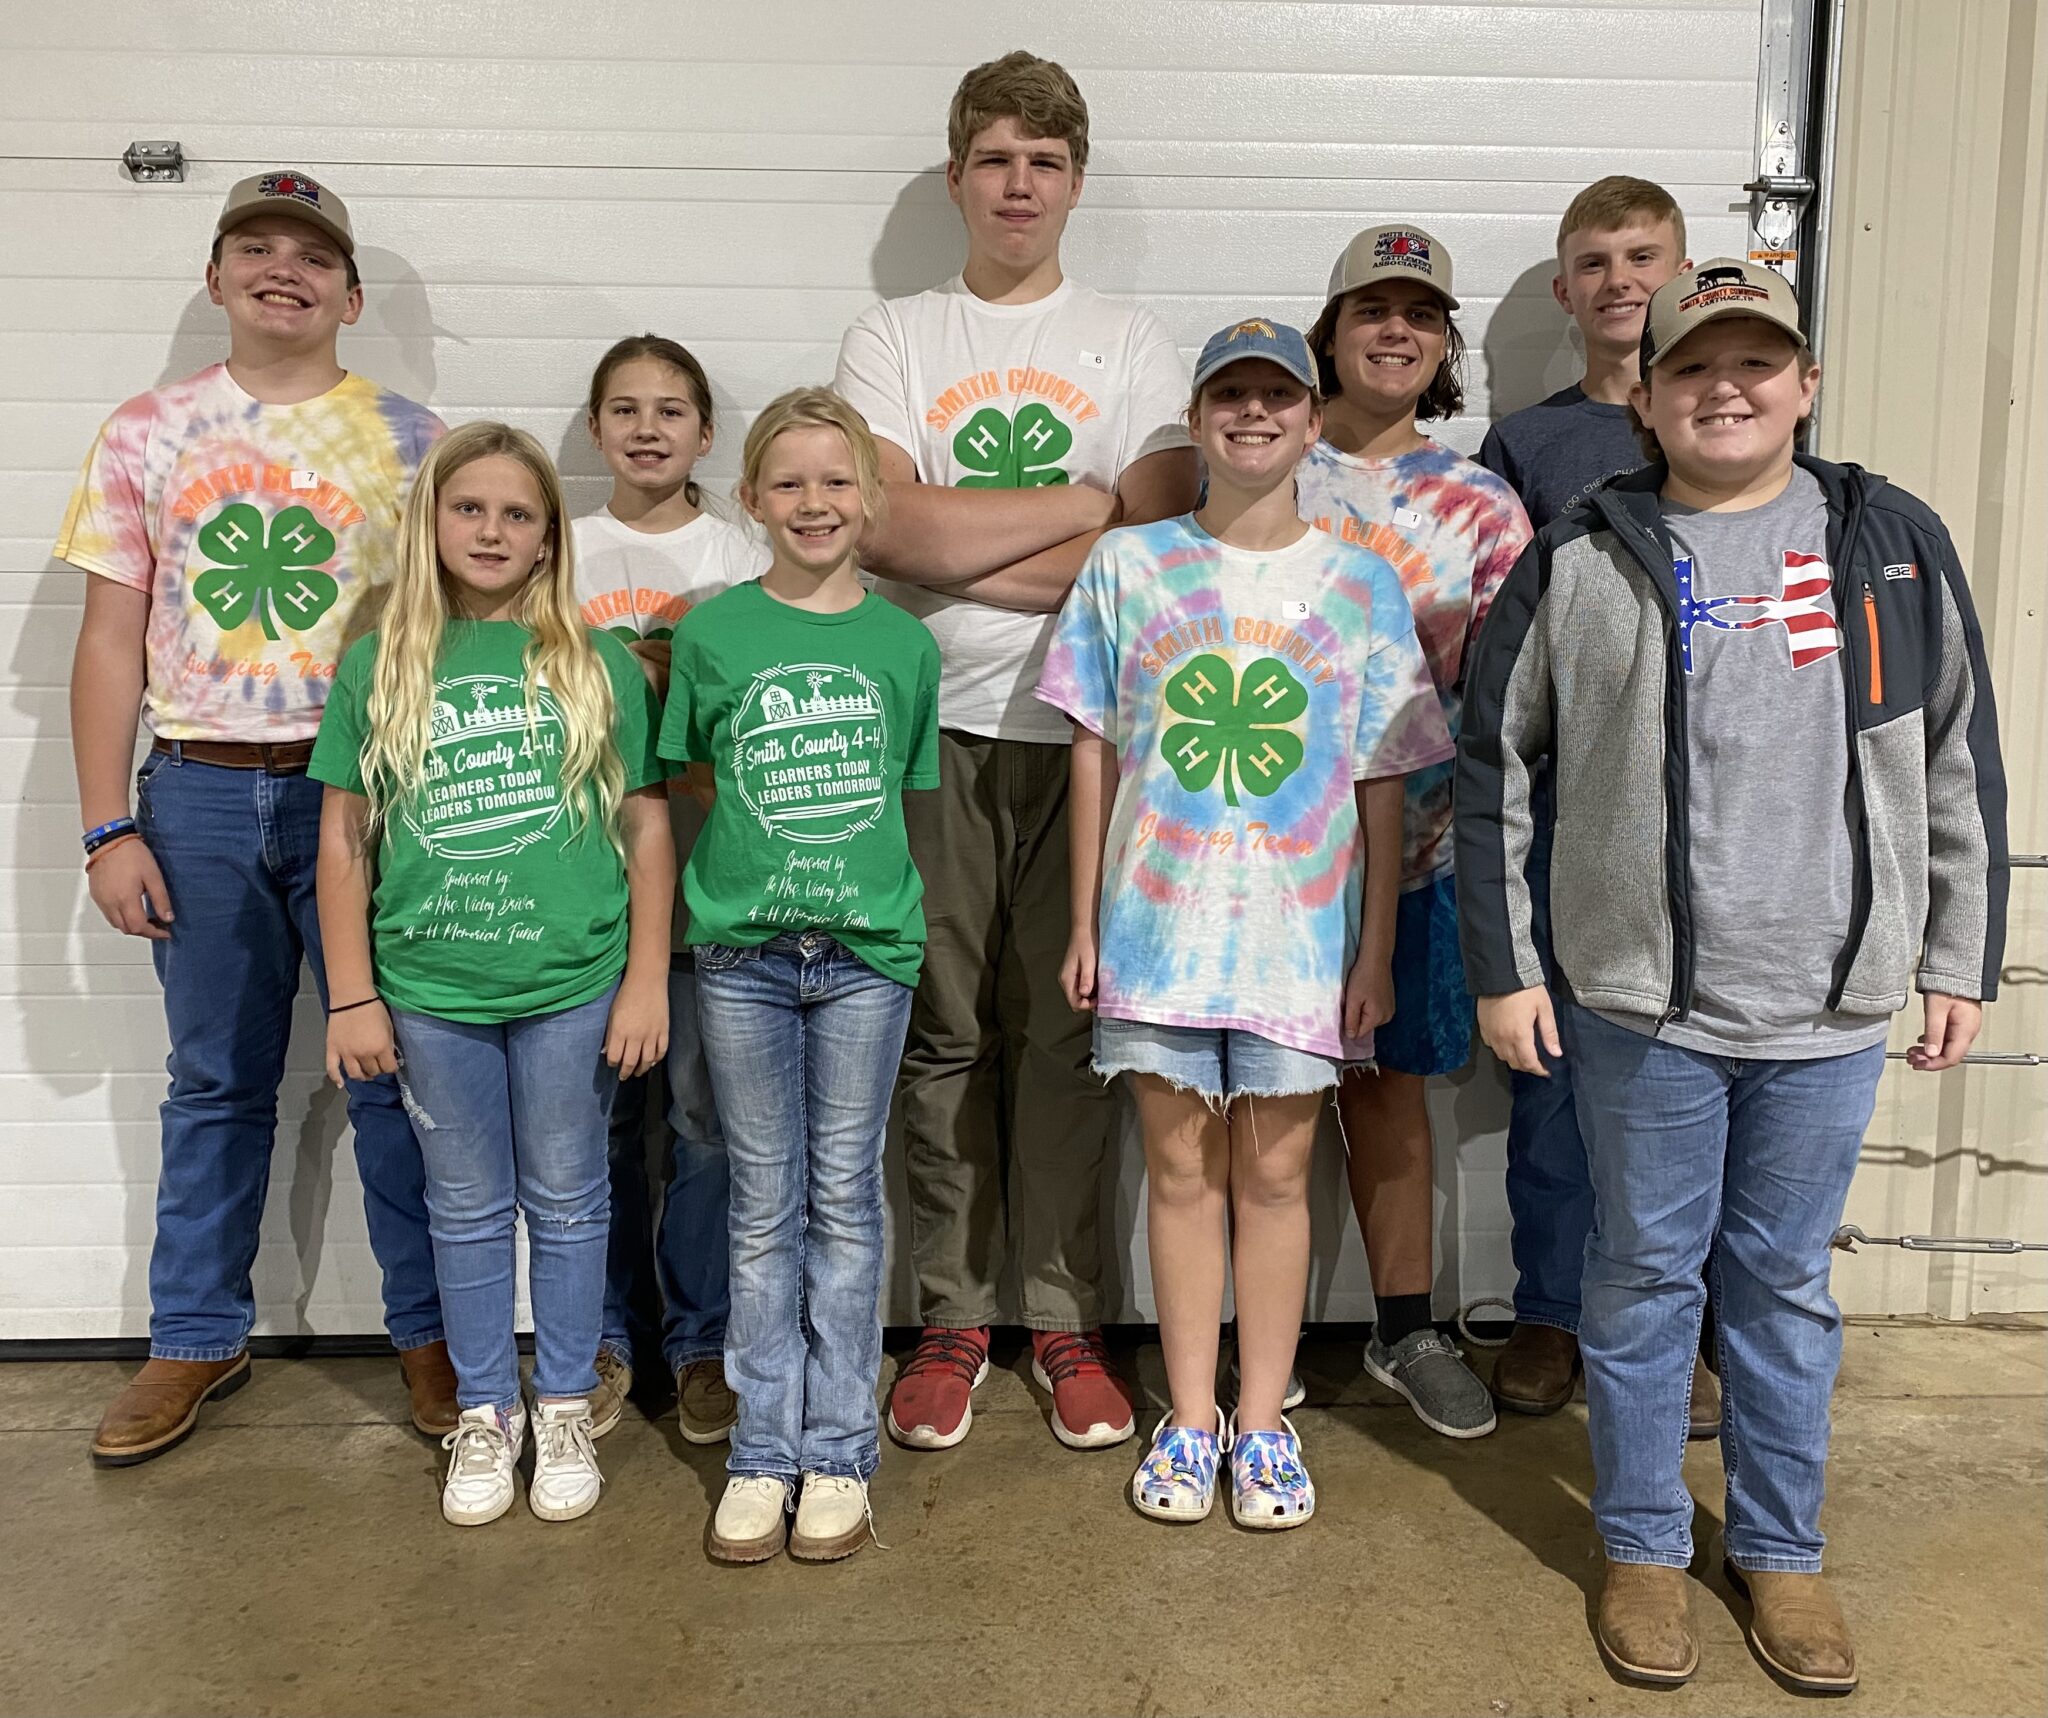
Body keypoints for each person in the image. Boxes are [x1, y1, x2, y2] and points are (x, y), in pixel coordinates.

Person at [1456, 261, 2007, 1693]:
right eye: (1693, 366)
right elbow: (1492, 762)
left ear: (1804, 385)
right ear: (1645, 396)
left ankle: (1780, 1549)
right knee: (1640, 1277)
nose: (1725, 389)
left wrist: (1956, 950)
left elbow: (1953, 754)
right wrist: (1506, 967)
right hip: (1641, 1006)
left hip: (1828, 1002)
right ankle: (1643, 1543)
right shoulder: (1581, 554)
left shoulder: (1889, 541)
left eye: (1756, 362)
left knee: (1780, 1287)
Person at [833, 50, 1199, 1453]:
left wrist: (958, 544)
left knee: (1063, 1029)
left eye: (1044, 162)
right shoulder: (895, 335)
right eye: (994, 159)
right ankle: (951, 1314)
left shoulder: (1132, 338)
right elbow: (883, 526)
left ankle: (1061, 1314)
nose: (1018, 185)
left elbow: (1152, 542)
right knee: (939, 1033)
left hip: (1086, 737)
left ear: (1075, 183)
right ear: (956, 178)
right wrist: (1077, 506)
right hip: (928, 729)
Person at [57, 171, 451, 1466]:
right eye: (257, 247)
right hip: (201, 792)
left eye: (313, 255)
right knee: (216, 1080)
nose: (285, 269)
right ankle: (193, 1332)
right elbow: (110, 636)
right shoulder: (146, 432)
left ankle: (429, 1332)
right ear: (216, 277)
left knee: (394, 1073)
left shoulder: (415, 442)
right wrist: (107, 826)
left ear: (350, 294)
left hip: (371, 794)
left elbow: (453, 631)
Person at [1043, 318, 1453, 1527]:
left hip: (1298, 939)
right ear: (1195, 420)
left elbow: (1384, 772)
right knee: (1176, 1172)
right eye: (1230, 394)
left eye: (1278, 395)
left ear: (1311, 422)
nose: (1254, 413)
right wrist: (1084, 920)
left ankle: (1263, 1417)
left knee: (1276, 1173)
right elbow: (1092, 748)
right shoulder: (1126, 566)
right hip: (1156, 927)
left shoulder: (1360, 583)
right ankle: (1187, 1413)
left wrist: (1374, 947)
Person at [312, 422, 673, 1527]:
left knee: (569, 1200)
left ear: (549, 538)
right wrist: (351, 993)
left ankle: (561, 1401)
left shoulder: (597, 664)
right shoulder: (381, 663)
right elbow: (343, 842)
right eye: (468, 508)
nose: (491, 530)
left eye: (518, 513)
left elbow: (646, 828)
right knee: (464, 1207)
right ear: (431, 522)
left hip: (573, 985)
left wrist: (646, 978)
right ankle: (484, 1409)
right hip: (432, 990)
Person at [669, 389, 940, 1565]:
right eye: (787, 482)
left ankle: (837, 1449)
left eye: (835, 481)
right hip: (740, 959)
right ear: (750, 498)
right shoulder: (712, 633)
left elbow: (900, 793)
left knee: (845, 1199)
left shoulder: (903, 645)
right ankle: (760, 1449)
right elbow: (695, 777)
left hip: (865, 961)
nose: (813, 501)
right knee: (759, 1203)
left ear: (868, 499)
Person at [1474, 179, 1717, 1433]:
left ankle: (1689, 1326)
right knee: (1558, 1071)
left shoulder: (1731, 421)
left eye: (1642, 256)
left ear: (1680, 268)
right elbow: (1496, 639)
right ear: (1565, 290)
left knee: (1701, 1071)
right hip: (1569, 813)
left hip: (1718, 819)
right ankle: (1549, 1308)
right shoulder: (1525, 446)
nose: (1619, 280)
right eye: (1593, 261)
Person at [1295, 225, 1531, 1440]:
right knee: (1242, 1096)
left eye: (1420, 315)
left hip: (1416, 854)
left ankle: (1404, 1325)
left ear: (1442, 346)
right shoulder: (1261, 466)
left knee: (1387, 1089)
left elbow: (1507, 695)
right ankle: (1231, 1336)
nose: (1394, 331)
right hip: (1249, 856)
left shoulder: (1479, 504)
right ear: (1328, 332)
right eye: (1370, 309)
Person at [573, 334, 769, 1445]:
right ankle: (604, 1336)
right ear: (594, 427)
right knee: (597, 1129)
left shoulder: (743, 552)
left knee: (703, 1126)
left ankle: (702, 1340)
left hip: (706, 884)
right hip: (577, 890)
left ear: (705, 433)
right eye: (625, 408)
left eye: (671, 410)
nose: (647, 428)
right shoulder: (557, 550)